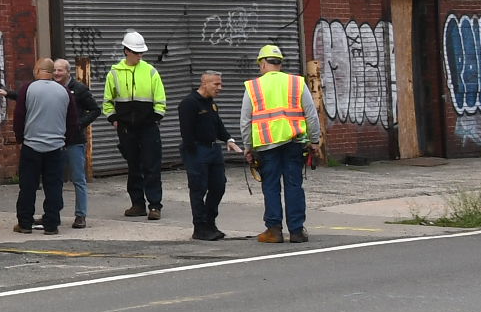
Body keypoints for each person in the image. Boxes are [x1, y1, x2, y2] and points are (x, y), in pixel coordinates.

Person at [240, 42, 323, 244]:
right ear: (280, 64)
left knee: (271, 186)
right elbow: (311, 115)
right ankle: (296, 231)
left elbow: (246, 121)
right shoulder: (296, 83)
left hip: (267, 146)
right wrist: (314, 141)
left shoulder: (254, 87)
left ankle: (274, 230)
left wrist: (248, 147)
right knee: (294, 185)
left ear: (262, 64)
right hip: (294, 143)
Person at [103, 31, 169, 220]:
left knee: (151, 166)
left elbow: (160, 99)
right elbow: (107, 100)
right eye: (136, 52)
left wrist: (155, 118)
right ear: (126, 51)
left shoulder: (150, 71)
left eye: (141, 52)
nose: (139, 55)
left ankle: (154, 206)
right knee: (133, 166)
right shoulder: (114, 73)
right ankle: (137, 204)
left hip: (148, 127)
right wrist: (113, 119)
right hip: (126, 128)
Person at [11, 58, 71, 236]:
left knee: (28, 186)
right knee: (54, 187)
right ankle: (51, 224)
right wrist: (65, 140)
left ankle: (25, 223)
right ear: (51, 72)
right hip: (56, 147)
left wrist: (20, 138)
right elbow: (71, 119)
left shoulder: (28, 89)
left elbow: (19, 116)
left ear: (37, 70)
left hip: (32, 145)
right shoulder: (64, 91)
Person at [178, 70, 231, 241]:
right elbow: (186, 131)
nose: (220, 88)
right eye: (216, 84)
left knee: (219, 186)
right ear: (204, 83)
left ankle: (210, 222)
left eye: (220, 84)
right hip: (197, 150)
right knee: (198, 188)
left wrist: (228, 139)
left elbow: (218, 124)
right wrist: (192, 153)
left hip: (213, 150)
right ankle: (200, 227)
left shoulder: (211, 103)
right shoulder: (189, 103)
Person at [60, 58, 102, 229]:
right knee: (53, 179)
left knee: (78, 179)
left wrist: (79, 124)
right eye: (54, 70)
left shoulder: (79, 89)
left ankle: (80, 215)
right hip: (56, 140)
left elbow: (95, 110)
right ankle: (52, 213)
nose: (56, 73)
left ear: (67, 71)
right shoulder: (52, 88)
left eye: (60, 70)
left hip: (75, 141)